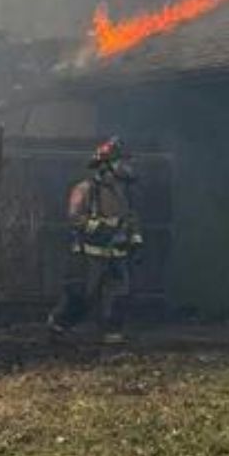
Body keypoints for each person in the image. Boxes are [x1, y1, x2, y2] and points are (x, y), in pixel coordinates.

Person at [49, 137, 144, 344]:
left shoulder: (124, 191)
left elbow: (131, 217)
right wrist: (102, 228)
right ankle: (59, 323)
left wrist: (135, 240)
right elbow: (75, 218)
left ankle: (111, 330)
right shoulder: (85, 189)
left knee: (118, 293)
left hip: (117, 252)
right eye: (121, 162)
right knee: (84, 294)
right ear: (106, 165)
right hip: (90, 252)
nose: (126, 167)